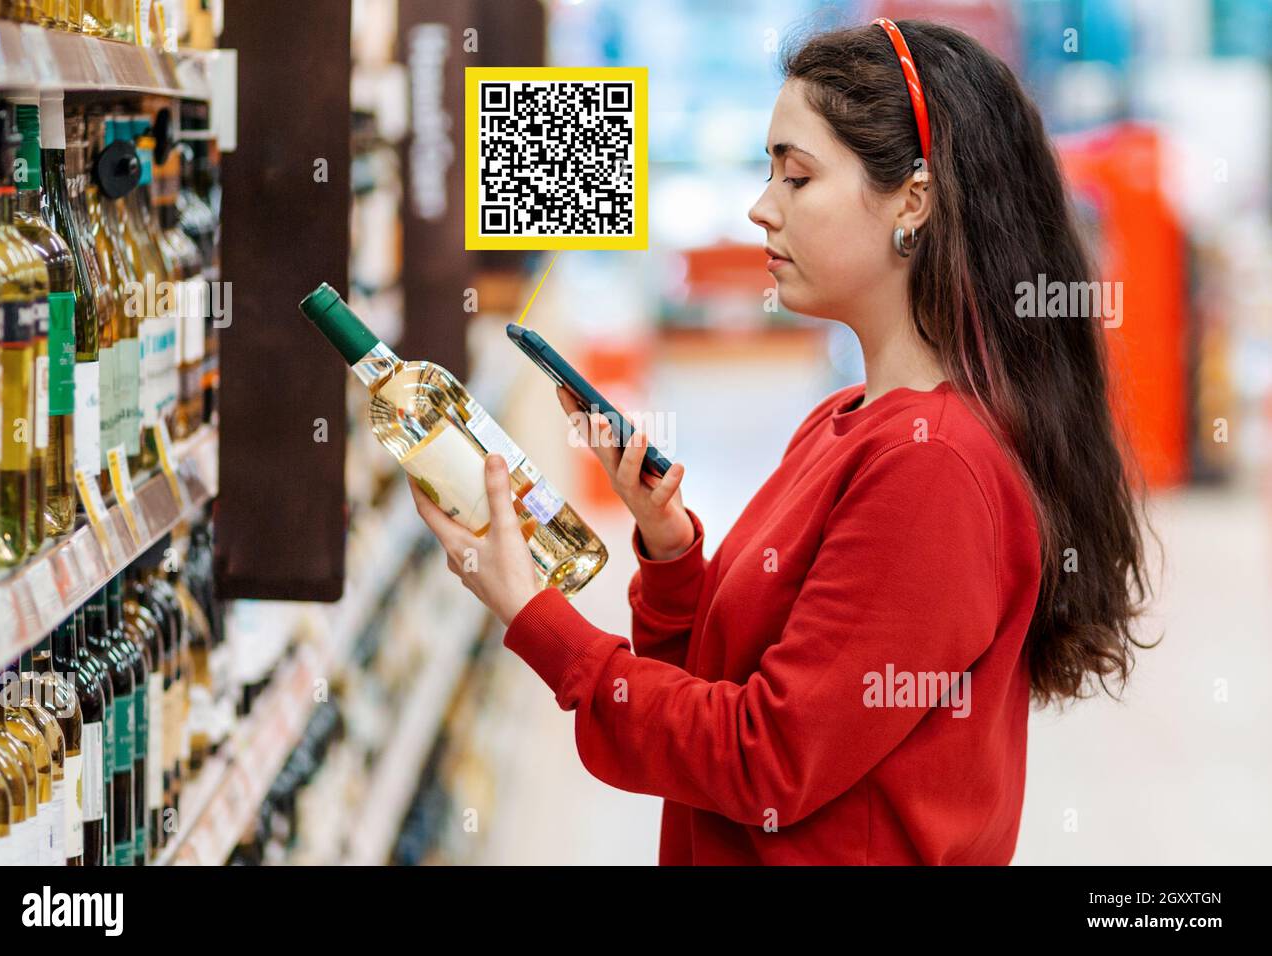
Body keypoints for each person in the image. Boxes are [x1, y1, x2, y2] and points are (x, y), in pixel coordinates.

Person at [408, 18, 1152, 865]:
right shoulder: (843, 421)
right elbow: (718, 696)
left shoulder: (931, 464)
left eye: (797, 176)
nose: (761, 207)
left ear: (913, 201)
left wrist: (533, 615)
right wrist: (671, 552)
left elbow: (766, 758)